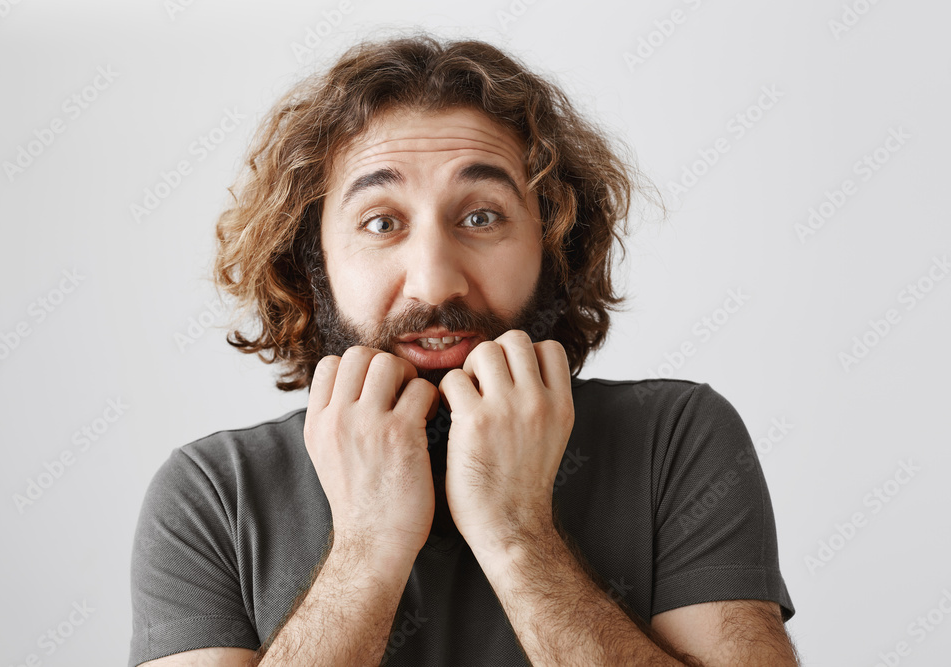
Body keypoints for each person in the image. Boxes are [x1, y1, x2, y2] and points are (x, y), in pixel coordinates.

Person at [128, 32, 799, 666]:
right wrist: (367, 547)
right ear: (312, 263)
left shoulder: (675, 440)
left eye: (481, 217)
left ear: (553, 249)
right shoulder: (212, 493)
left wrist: (517, 534)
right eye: (381, 222)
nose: (435, 279)